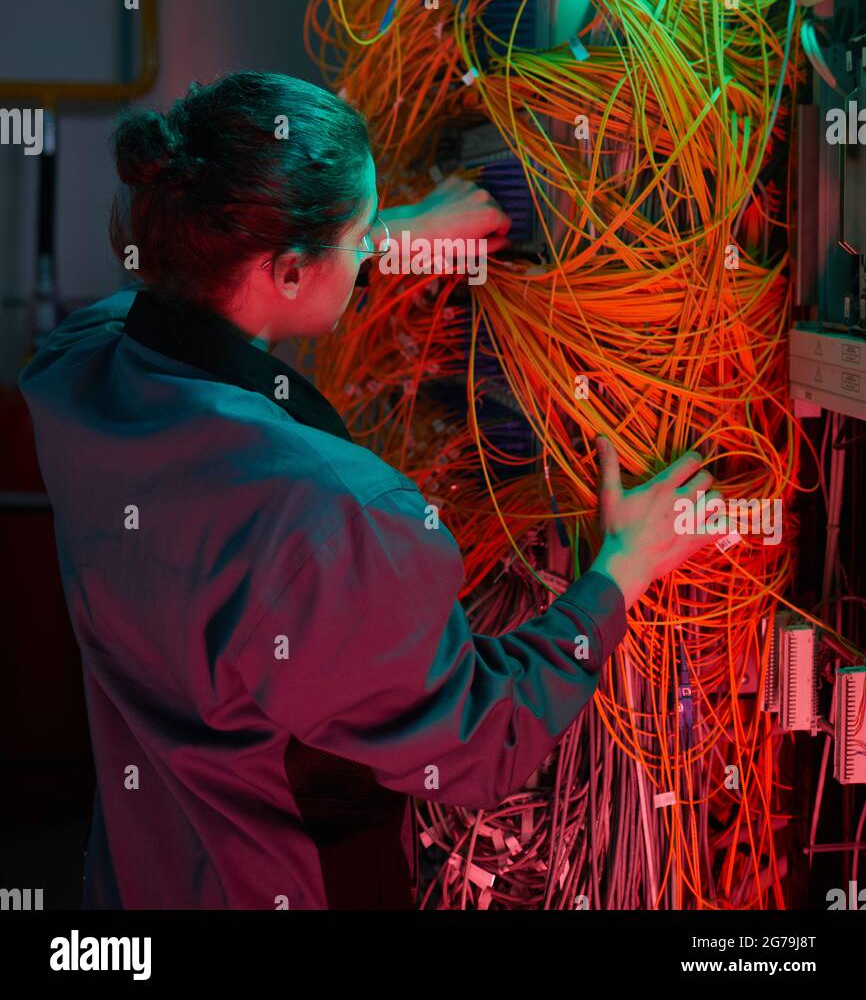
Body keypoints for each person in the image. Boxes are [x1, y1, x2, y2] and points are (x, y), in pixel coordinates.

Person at [20, 69, 719, 910]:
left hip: (136, 880)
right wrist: (622, 569)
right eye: (356, 238)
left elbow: (170, 302)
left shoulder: (72, 375)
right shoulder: (332, 513)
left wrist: (390, 235)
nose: (364, 255)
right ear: (287, 269)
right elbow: (479, 742)